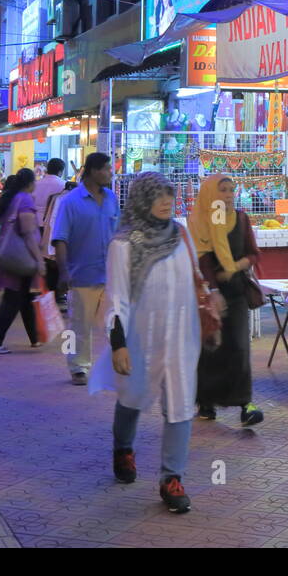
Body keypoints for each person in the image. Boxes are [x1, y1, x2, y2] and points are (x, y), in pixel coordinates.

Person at [90, 172, 204, 513]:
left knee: (182, 404)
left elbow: (196, 279)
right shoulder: (124, 245)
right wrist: (119, 344)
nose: (166, 201)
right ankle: (123, 448)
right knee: (132, 396)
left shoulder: (181, 236)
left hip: (181, 337)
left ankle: (172, 477)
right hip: (141, 338)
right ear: (142, 200)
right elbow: (116, 299)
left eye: (169, 195)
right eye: (158, 196)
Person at [189, 173, 263, 426]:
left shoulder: (241, 219)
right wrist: (213, 291)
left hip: (237, 292)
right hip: (209, 294)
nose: (229, 195)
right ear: (210, 193)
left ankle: (245, 404)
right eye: (223, 190)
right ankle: (206, 402)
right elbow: (203, 259)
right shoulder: (198, 220)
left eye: (232, 190)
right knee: (211, 347)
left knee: (239, 346)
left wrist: (236, 265)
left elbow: (254, 253)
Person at [52, 153, 120, 385]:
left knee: (116, 322)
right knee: (78, 325)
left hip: (110, 274)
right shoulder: (70, 202)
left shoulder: (111, 198)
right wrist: (63, 271)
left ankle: (121, 362)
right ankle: (76, 367)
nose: (111, 173)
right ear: (92, 171)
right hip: (82, 274)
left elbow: (118, 233)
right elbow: (60, 238)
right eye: (107, 169)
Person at [0, 169, 44, 353]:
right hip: (19, 258)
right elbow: (27, 232)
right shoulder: (24, 199)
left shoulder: (14, 197)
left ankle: (35, 338)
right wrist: (39, 259)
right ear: (31, 183)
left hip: (14, 257)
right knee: (13, 299)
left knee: (23, 297)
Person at [42, 180, 77, 309]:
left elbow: (48, 219)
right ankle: (58, 297)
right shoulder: (65, 199)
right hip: (58, 238)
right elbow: (53, 221)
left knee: (53, 269)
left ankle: (54, 297)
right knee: (58, 268)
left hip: (52, 237)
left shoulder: (56, 197)